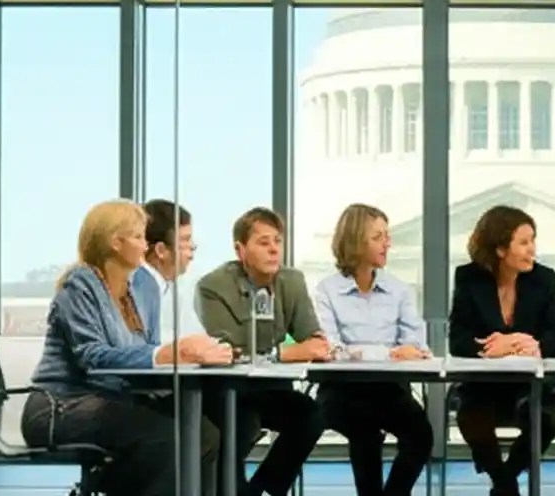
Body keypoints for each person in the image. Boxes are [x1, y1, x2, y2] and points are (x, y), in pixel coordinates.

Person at [21, 200, 231, 496]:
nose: (146, 245)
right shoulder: (79, 285)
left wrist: (183, 355)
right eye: (138, 237)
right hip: (61, 407)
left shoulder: (140, 292)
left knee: (204, 435)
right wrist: (165, 354)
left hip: (113, 402)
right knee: (166, 437)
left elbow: (143, 350)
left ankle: (103, 486)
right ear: (116, 243)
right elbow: (92, 356)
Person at [197, 206, 328, 496]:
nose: (273, 250)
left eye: (277, 242)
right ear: (240, 249)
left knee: (312, 415)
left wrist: (304, 348)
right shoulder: (211, 287)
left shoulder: (291, 280)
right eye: (263, 242)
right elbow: (230, 350)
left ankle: (263, 490)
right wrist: (285, 353)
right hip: (229, 391)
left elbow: (314, 341)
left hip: (272, 388)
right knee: (243, 425)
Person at [313, 203, 433, 496]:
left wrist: (386, 353)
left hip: (388, 388)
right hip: (340, 390)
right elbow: (331, 350)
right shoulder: (326, 290)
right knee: (365, 432)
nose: (387, 243)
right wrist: (389, 354)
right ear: (356, 241)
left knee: (421, 435)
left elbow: (416, 345)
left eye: (387, 236)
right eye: (378, 237)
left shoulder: (400, 289)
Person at [448, 205, 555, 496]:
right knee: (471, 419)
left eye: (533, 240)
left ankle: (504, 481)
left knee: (543, 421)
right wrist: (492, 349)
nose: (532, 250)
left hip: (531, 386)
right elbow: (458, 341)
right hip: (483, 386)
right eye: (524, 243)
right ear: (500, 249)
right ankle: (507, 486)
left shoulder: (544, 279)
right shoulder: (468, 278)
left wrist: (527, 343)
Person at [133, 198, 205, 340]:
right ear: (161, 250)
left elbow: (196, 337)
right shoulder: (135, 289)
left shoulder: (175, 287)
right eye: (185, 239)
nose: (193, 246)